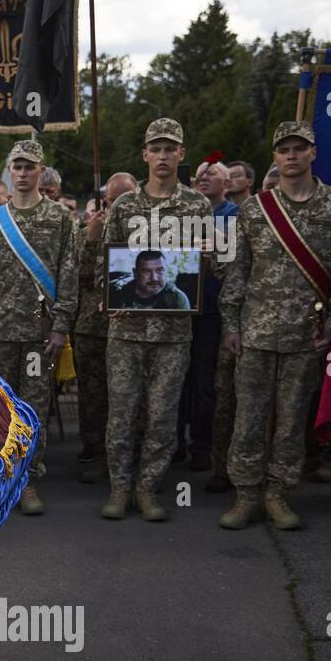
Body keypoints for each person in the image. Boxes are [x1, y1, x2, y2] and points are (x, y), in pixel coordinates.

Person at [218, 121, 331, 530]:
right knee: (249, 418)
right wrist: (231, 324)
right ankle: (246, 495)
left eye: (300, 148)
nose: (292, 156)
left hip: (306, 332)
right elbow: (238, 271)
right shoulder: (255, 209)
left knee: (291, 420)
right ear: (275, 157)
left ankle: (279, 493)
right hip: (256, 331)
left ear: (314, 153)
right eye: (284, 150)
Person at [100, 118, 212, 521]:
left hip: (173, 332)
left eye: (171, 149)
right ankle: (119, 487)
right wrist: (109, 300)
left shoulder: (198, 205)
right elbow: (106, 263)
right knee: (123, 411)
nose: (163, 156)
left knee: (163, 414)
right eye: (156, 149)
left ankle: (148, 489)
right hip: (127, 330)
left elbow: (218, 264)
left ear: (182, 154)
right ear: (145, 155)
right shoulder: (125, 205)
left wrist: (209, 250)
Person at [0, 141, 79, 515]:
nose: (22, 172)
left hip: (38, 334)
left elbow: (68, 274)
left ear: (40, 170)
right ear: (9, 170)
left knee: (32, 407)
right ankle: (0, 476)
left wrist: (61, 325)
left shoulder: (60, 219)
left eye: (29, 166)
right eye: (17, 165)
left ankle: (29, 479)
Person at [73, 171, 136, 483]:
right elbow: (78, 280)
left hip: (132, 325)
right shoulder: (90, 229)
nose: (116, 207)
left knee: (127, 395)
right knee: (93, 396)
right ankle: (95, 452)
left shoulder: (143, 226)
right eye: (112, 201)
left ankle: (126, 457)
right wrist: (90, 240)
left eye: (124, 200)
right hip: (92, 325)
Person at [180, 160, 239, 474]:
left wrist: (216, 242)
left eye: (212, 172)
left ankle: (201, 447)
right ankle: (174, 443)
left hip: (212, 310)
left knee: (205, 384)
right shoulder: (182, 212)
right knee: (177, 382)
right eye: (200, 172)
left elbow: (238, 258)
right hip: (177, 309)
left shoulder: (235, 216)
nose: (204, 175)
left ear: (227, 183)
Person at [108, 250, 191, 308]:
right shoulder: (118, 295)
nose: (154, 278)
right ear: (135, 273)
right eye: (146, 271)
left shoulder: (176, 298)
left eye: (159, 271)